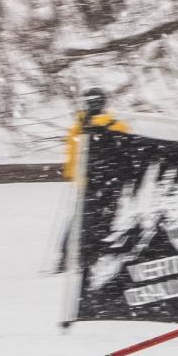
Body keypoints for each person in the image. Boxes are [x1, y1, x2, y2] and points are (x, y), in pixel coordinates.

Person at [53, 87, 129, 273]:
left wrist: (72, 173)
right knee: (98, 220)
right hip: (103, 181)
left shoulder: (83, 126)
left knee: (84, 220)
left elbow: (72, 151)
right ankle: (83, 257)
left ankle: (72, 257)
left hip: (97, 180)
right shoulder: (110, 125)